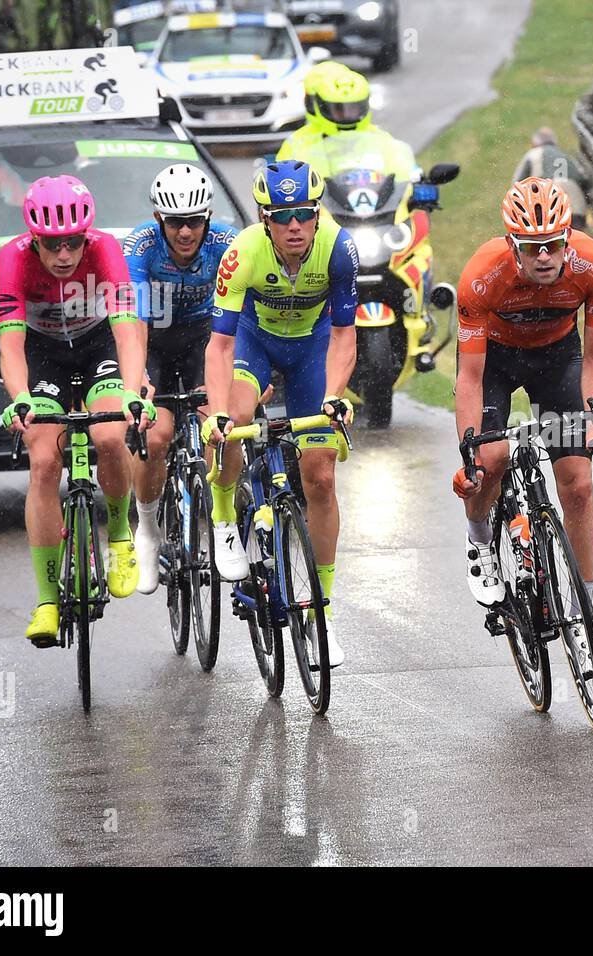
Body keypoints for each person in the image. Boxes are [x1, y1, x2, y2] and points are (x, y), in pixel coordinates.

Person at [452, 177, 593, 675]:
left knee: (579, 484)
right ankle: (480, 541)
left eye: (552, 244)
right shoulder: (481, 277)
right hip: (495, 362)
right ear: (512, 245)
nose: (544, 256)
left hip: (558, 361)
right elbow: (470, 377)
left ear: (568, 238)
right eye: (531, 247)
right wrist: (469, 453)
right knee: (492, 459)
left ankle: (584, 616)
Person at [203, 159, 359, 668]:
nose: (295, 226)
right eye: (282, 216)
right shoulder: (242, 252)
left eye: (304, 214)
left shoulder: (339, 248)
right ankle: (224, 514)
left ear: (317, 214)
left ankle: (321, 612)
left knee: (321, 478)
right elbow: (220, 345)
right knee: (234, 422)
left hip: (313, 348)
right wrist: (218, 413)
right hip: (254, 344)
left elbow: (344, 335)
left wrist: (334, 394)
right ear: (264, 219)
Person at [0, 174, 155, 646]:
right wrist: (20, 398)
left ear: (86, 235)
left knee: (110, 435)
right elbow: (11, 346)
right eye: (52, 244)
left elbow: (127, 332)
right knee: (44, 462)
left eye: (72, 242)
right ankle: (47, 599)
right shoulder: (12, 258)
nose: (64, 254)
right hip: (44, 354)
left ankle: (120, 533)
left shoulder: (105, 250)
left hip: (97, 346)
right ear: (34, 239)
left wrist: (132, 393)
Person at [122, 163, 239, 593]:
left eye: (193, 221)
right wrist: (136, 379)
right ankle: (148, 529)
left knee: (217, 425)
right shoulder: (140, 246)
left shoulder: (228, 243)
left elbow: (245, 316)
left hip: (205, 340)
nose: (185, 232)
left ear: (208, 217)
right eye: (174, 222)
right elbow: (134, 322)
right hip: (153, 339)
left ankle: (223, 521)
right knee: (155, 437)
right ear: (159, 219)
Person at [277, 62, 421, 183]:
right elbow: (283, 185)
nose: (347, 115)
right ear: (317, 105)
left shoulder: (381, 139)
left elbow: (405, 173)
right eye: (338, 110)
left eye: (354, 109)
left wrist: (415, 179)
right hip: (322, 207)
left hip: (372, 204)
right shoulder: (295, 144)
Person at [512, 127, 592, 232]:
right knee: (576, 237)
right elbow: (584, 181)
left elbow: (517, 185)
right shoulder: (566, 155)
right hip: (575, 204)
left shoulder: (533, 154)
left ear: (535, 143)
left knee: (548, 237)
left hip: (548, 203)